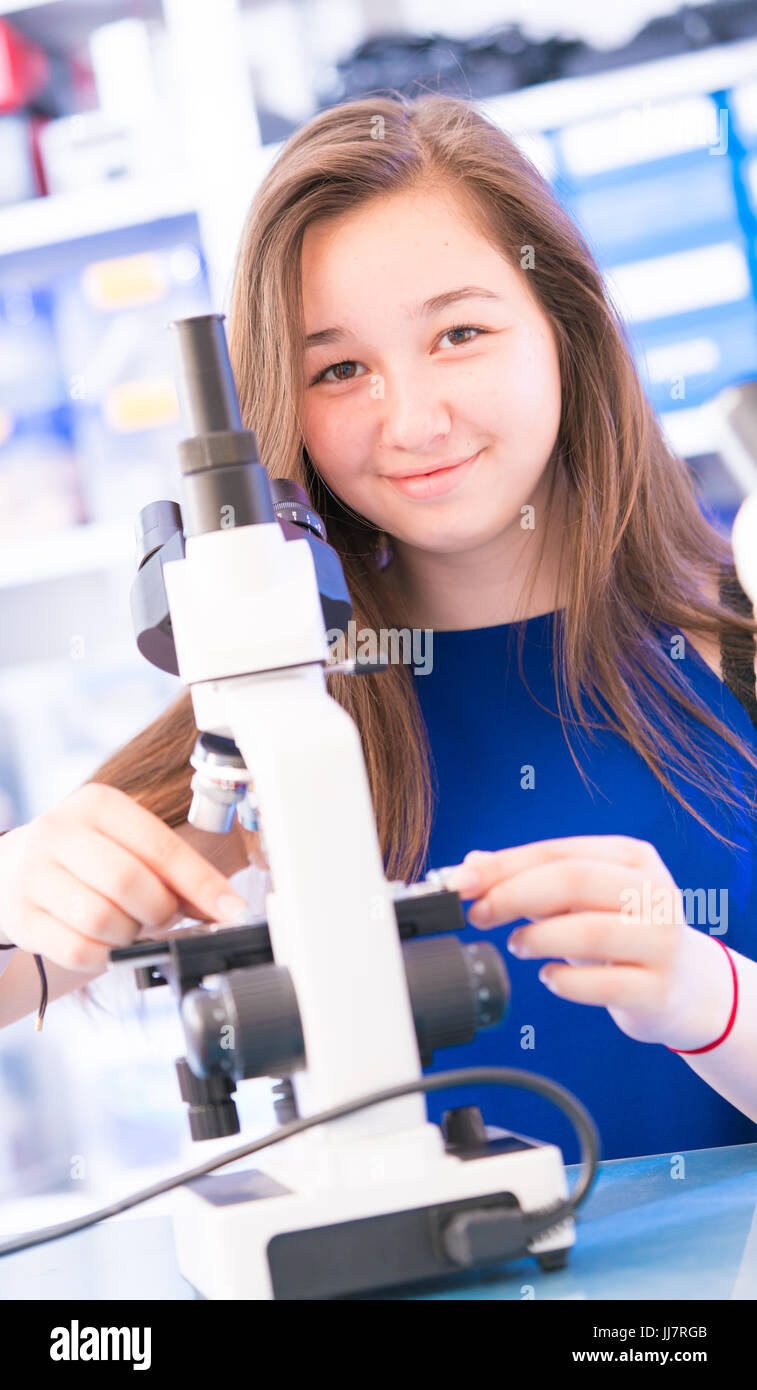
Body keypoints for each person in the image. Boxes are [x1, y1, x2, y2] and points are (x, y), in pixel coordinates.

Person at [1, 92, 757, 1164]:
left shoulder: (738, 636)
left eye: (459, 333)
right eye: (340, 369)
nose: (412, 420)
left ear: (565, 331)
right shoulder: (269, 729)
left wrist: (705, 993)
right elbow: (34, 952)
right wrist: (22, 888)